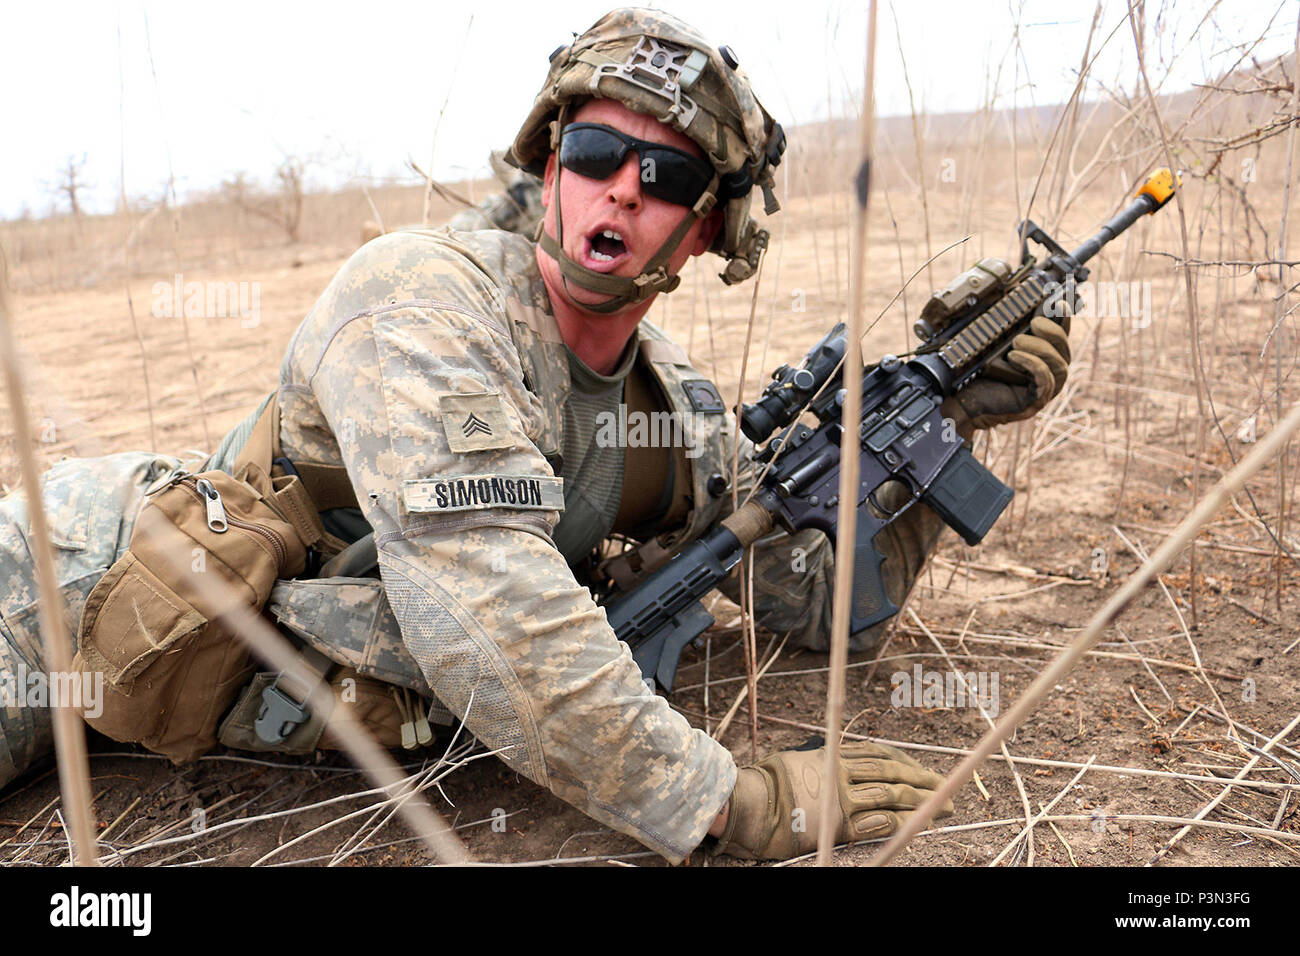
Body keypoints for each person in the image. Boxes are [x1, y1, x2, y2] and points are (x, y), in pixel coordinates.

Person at [0, 8, 1070, 862]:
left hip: (169, 694)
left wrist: (937, 438)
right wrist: (729, 803)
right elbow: (488, 606)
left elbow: (822, 603)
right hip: (52, 597)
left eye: (667, 176)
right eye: (600, 150)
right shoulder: (420, 298)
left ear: (705, 230)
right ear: (552, 162)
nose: (621, 188)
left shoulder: (672, 414)